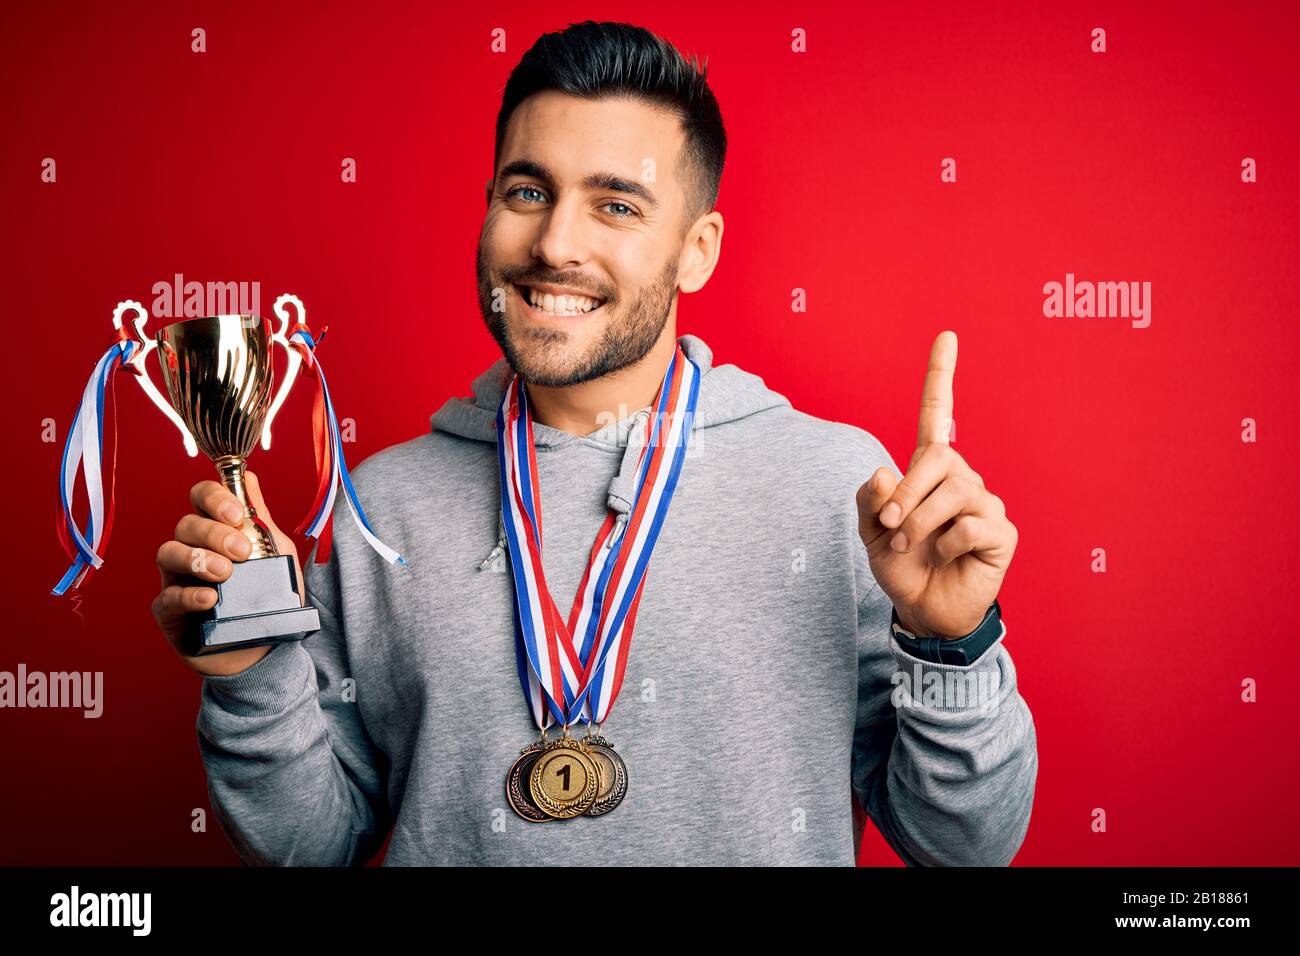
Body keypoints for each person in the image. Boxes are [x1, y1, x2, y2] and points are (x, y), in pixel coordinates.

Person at [152, 20, 1036, 866]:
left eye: (615, 204)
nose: (554, 243)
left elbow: (962, 847)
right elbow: (308, 847)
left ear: (697, 251)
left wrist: (951, 644)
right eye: (527, 192)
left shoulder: (842, 491)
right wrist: (251, 673)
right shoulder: (381, 507)